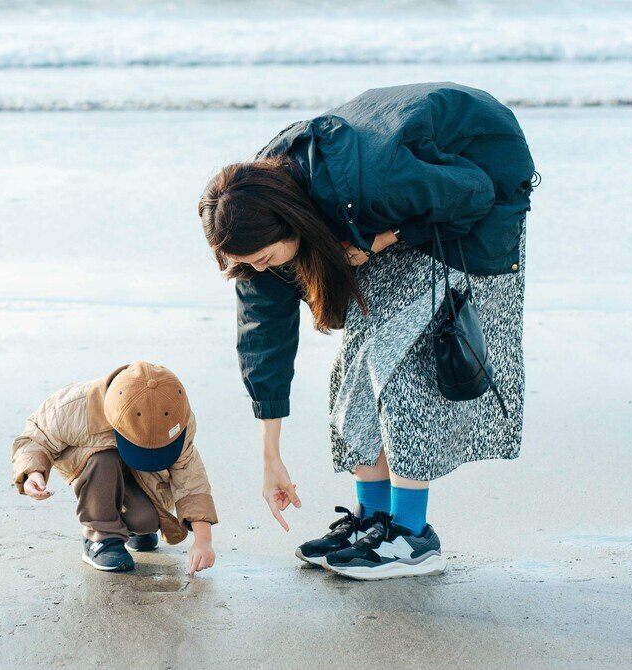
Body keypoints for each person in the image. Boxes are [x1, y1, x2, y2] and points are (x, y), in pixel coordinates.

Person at [198, 82, 535, 580]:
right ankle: (372, 520)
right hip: (384, 207)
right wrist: (271, 455)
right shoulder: (247, 218)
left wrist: (382, 239)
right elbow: (262, 335)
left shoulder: (371, 185)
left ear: (292, 224)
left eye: (266, 258)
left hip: (473, 175)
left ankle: (413, 537)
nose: (261, 269)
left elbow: (475, 188)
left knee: (398, 367)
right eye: (249, 263)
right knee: (355, 369)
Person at [10, 361, 218, 574]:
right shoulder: (75, 406)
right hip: (93, 462)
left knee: (145, 520)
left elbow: (190, 476)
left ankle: (129, 527)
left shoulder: (175, 415)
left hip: (139, 474)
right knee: (104, 458)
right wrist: (33, 472)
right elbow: (36, 437)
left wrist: (203, 540)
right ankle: (101, 536)